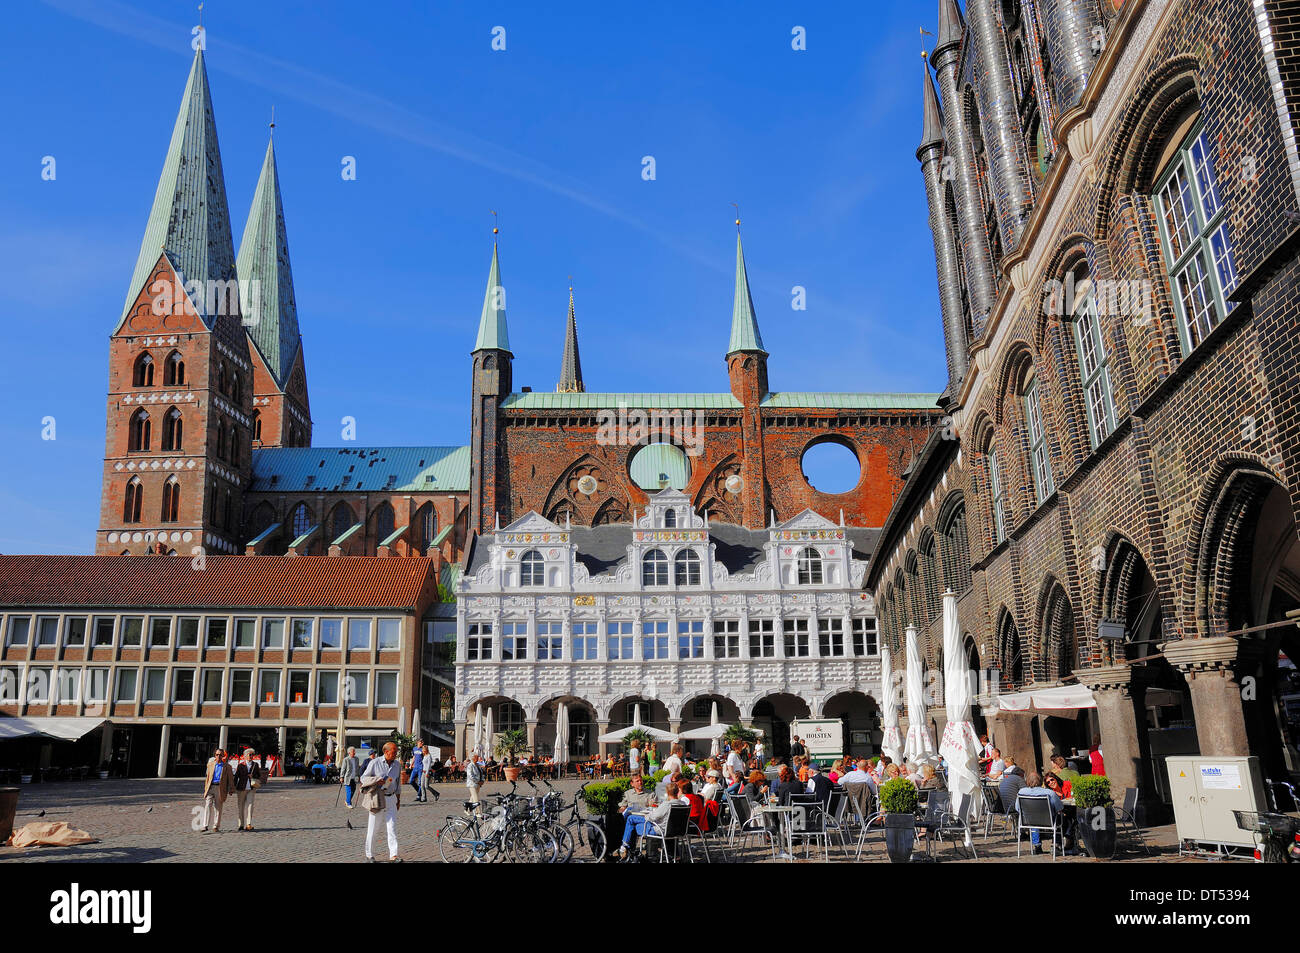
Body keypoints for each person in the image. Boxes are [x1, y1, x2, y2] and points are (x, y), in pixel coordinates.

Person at [360, 741, 403, 862]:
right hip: (378, 798)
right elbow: (363, 778)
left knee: (392, 827)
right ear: (386, 752)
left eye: (396, 752)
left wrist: (398, 799)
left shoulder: (397, 765)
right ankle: (369, 855)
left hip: (391, 798)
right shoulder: (375, 762)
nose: (395, 755)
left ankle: (393, 855)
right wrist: (376, 780)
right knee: (374, 828)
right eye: (393, 752)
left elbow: (398, 783)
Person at [1015, 771, 1063, 855]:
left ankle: (1037, 846)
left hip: (1029, 821)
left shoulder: (1021, 792)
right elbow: (1059, 807)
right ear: (1041, 781)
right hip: (1049, 820)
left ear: (1028, 781)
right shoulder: (1049, 793)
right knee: (1058, 817)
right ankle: (1055, 844)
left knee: (1034, 818)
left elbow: (1017, 808)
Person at [201, 749, 235, 833]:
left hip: (220, 788)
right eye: (217, 754)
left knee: (218, 807)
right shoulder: (210, 764)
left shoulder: (227, 767)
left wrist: (231, 789)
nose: (218, 756)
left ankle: (216, 826)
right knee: (207, 805)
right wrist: (206, 789)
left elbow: (230, 779)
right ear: (214, 755)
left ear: (223, 756)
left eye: (220, 755)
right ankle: (205, 825)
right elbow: (208, 777)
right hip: (211, 787)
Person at [233, 748, 262, 831]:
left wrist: (253, 776)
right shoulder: (240, 765)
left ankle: (248, 824)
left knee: (250, 806)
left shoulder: (255, 765)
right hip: (241, 788)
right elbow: (236, 777)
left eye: (252, 754)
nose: (251, 756)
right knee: (240, 807)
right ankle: (241, 824)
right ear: (245, 756)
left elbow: (259, 776)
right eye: (249, 754)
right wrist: (233, 787)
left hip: (251, 788)